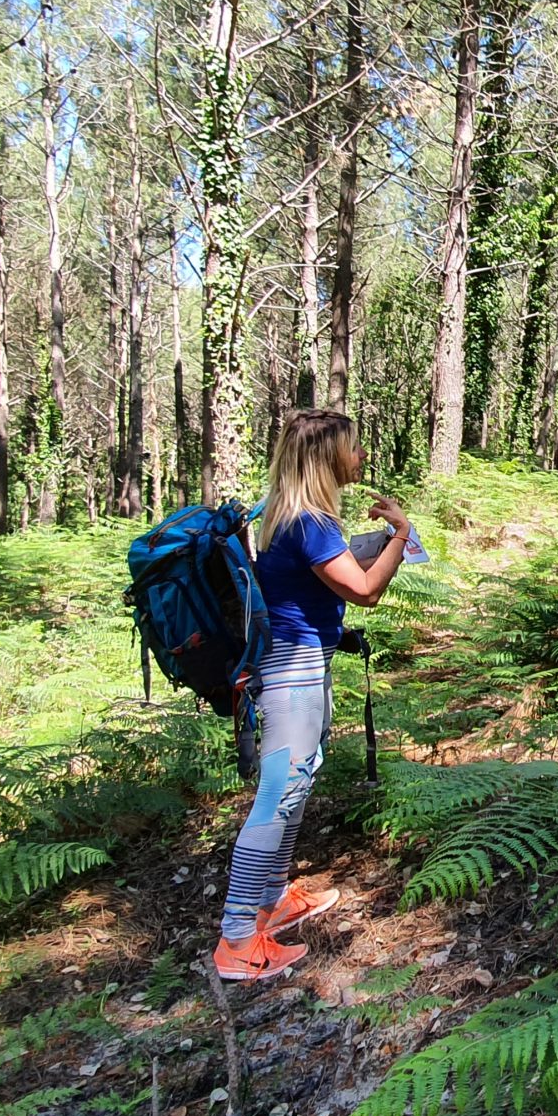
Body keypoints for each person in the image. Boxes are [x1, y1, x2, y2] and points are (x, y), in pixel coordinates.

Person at [213, 410, 414, 982]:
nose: (361, 458)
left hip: (295, 662)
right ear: (328, 459)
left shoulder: (283, 513)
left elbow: (314, 587)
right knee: (279, 793)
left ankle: (273, 901)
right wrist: (400, 535)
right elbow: (367, 591)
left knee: (297, 781)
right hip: (291, 670)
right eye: (353, 450)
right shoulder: (311, 522)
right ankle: (235, 942)